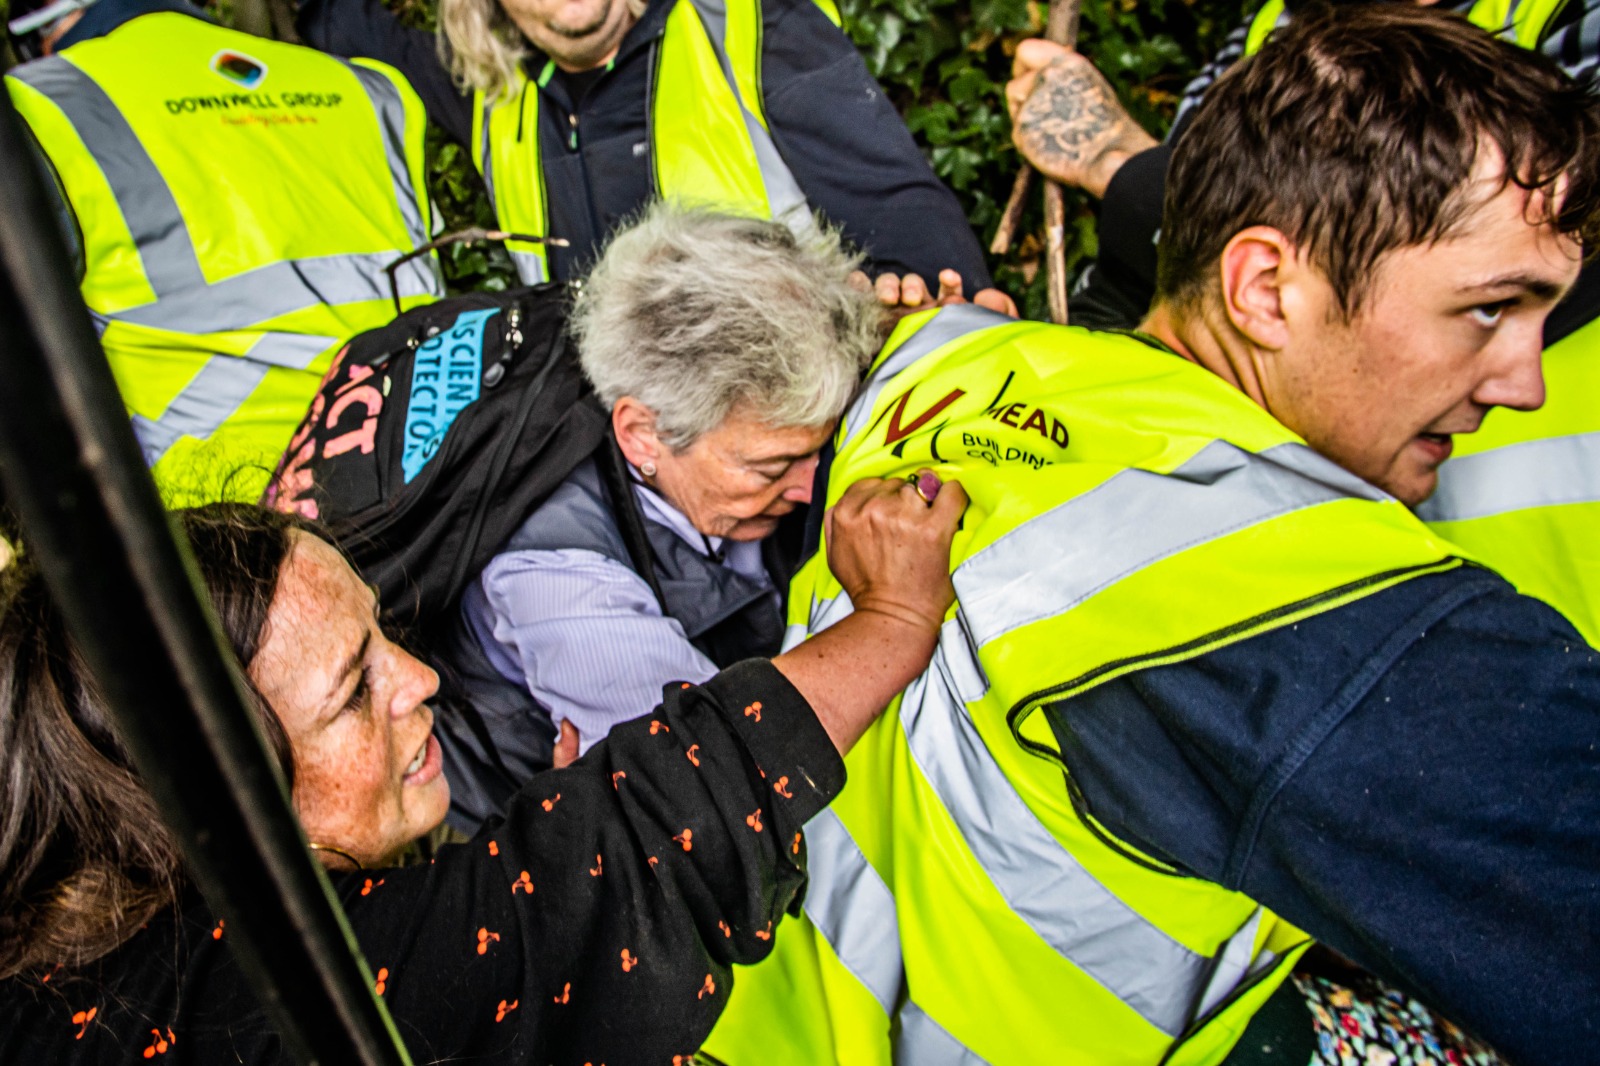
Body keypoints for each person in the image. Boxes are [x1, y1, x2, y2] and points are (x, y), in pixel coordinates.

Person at [703, 7, 1600, 1064]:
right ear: (1264, 287)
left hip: (743, 1007)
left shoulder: (941, 361)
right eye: (1490, 309)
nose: (1526, 382)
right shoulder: (1296, 602)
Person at [0, 466, 966, 1062]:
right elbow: (639, 850)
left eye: (382, 635)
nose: (420, 679)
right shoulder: (261, 1005)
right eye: (351, 692)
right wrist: (892, 619)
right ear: (202, 801)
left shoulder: (103, 915)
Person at [1006, 0, 1600, 645]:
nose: (1522, 382)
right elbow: (1152, 297)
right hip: (1333, 624)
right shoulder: (1264, 37)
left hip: (1555, 619)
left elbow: (1533, 242)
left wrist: (1121, 168)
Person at [432, 203, 889, 830]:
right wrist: (894, 619)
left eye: (819, 452)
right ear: (642, 435)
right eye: (769, 467)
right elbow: (722, 789)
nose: (813, 489)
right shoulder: (557, 580)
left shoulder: (719, 425)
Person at [293, 0, 1013, 314]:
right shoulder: (493, 97)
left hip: (801, 417)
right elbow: (342, 21)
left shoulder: (742, 23)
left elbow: (889, 193)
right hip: (631, 468)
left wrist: (933, 289)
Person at [4, 0, 444, 503]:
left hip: (236, 522)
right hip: (430, 472)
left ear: (40, 35)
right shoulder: (362, 86)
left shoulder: (35, 106)